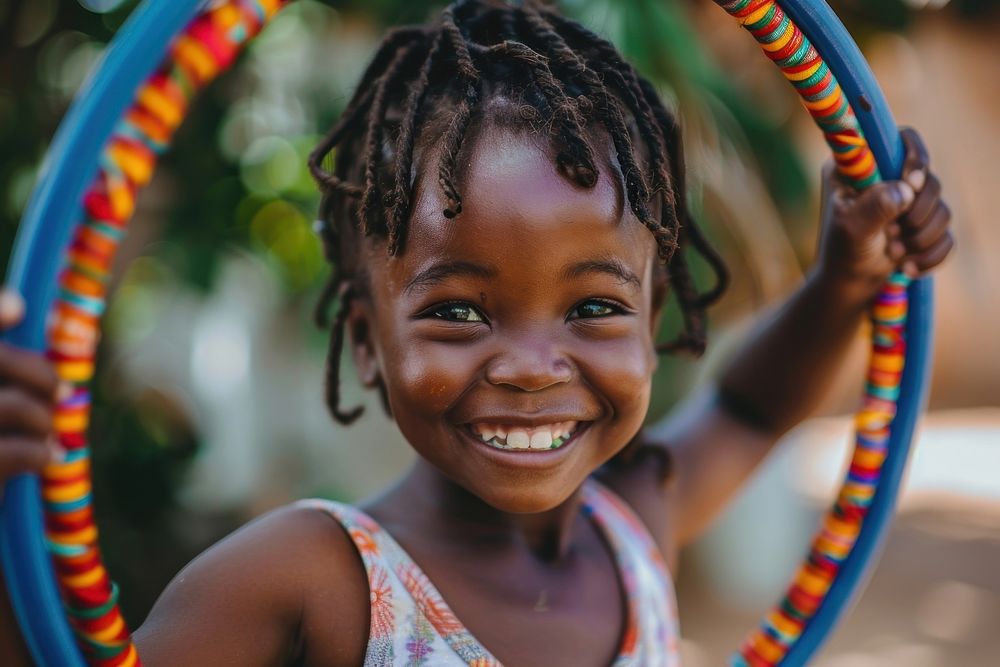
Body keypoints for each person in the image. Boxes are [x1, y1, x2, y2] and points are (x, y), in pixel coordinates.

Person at [0, 1, 953, 665]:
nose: (534, 366)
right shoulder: (307, 582)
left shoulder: (636, 529)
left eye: (593, 308)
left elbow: (750, 407)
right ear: (367, 339)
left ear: (651, 325)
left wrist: (846, 280)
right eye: (456, 311)